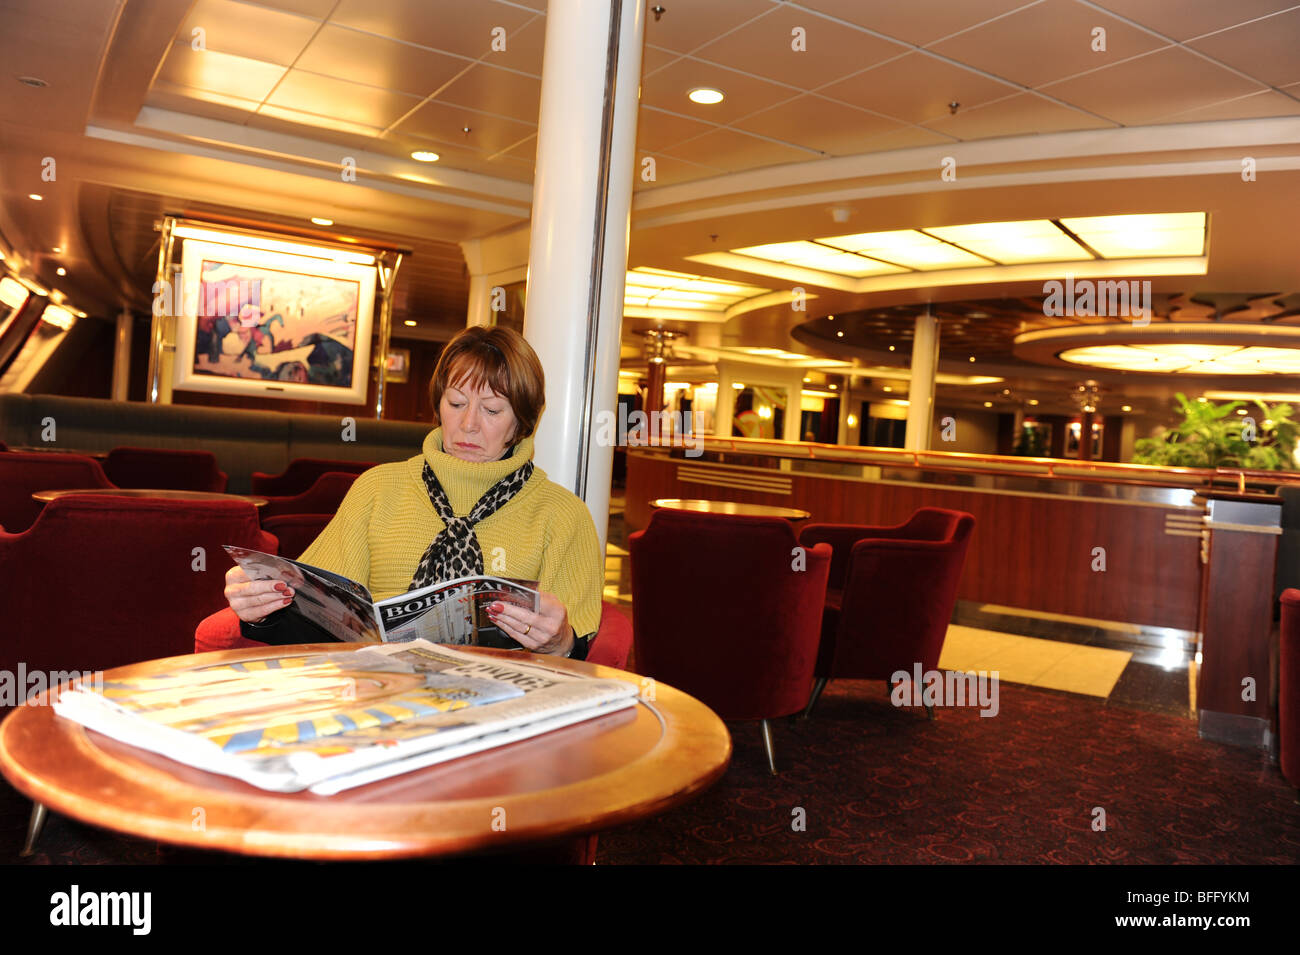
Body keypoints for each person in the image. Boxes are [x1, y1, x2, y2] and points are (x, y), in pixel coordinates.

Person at [223, 325, 603, 658]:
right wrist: (263, 610)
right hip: (379, 693)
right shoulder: (377, 489)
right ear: (438, 404)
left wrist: (560, 642)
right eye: (456, 403)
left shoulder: (562, 514)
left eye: (491, 410)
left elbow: (579, 657)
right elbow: (319, 627)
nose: (468, 424)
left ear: (522, 422)